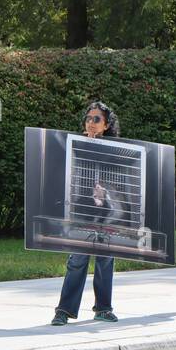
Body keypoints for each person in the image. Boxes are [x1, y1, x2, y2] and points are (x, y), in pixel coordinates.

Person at [51, 101, 125, 324]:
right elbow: (64, 175)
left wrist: (107, 195)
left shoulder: (116, 149)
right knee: (77, 259)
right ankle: (64, 310)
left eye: (97, 119)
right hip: (81, 212)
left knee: (105, 259)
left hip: (106, 213)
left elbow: (121, 185)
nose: (91, 123)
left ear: (106, 125)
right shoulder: (73, 145)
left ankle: (103, 308)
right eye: (88, 118)